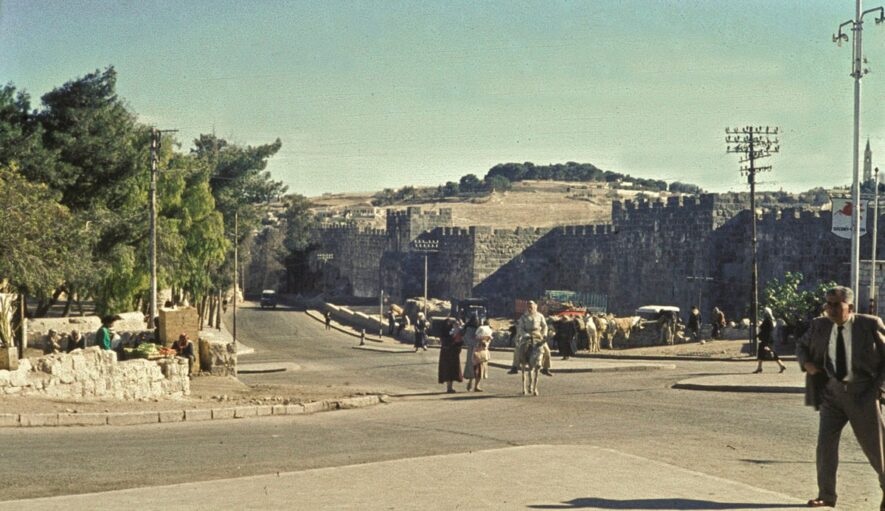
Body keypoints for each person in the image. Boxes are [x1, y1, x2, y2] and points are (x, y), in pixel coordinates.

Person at [796, 286, 885, 509]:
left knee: (877, 450)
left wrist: (877, 389)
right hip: (831, 394)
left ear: (850, 307)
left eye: (837, 305)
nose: (831, 309)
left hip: (862, 394)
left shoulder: (870, 324)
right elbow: (801, 345)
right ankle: (826, 496)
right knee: (825, 445)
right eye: (828, 304)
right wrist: (806, 363)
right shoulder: (819, 324)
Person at [508, 300, 553, 376]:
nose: (530, 308)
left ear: (535, 306)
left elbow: (545, 326)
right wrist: (525, 334)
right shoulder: (524, 317)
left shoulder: (540, 316)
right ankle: (515, 367)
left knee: (547, 350)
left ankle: (546, 368)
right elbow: (520, 328)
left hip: (537, 335)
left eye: (531, 306)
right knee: (517, 349)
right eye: (528, 306)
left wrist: (544, 334)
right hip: (527, 335)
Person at [753, 307, 786, 374]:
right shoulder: (770, 320)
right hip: (768, 339)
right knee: (764, 353)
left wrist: (758, 334)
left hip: (766, 339)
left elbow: (765, 330)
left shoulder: (768, 320)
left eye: (764, 312)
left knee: (766, 353)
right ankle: (780, 365)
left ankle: (760, 368)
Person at [437, 318, 463, 393]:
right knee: (448, 370)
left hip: (452, 352)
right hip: (448, 352)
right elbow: (447, 341)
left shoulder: (450, 331)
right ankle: (449, 387)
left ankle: (450, 387)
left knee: (451, 370)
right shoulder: (445, 333)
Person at [471, 322, 493, 392]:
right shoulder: (482, 336)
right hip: (480, 355)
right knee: (478, 371)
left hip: (480, 354)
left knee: (478, 371)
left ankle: (475, 385)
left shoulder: (483, 334)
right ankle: (476, 386)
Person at [462, 313, 480, 390]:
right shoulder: (471, 328)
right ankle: (473, 384)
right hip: (475, 349)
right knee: (474, 366)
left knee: (476, 367)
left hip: (475, 349)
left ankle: (475, 385)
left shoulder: (478, 328)